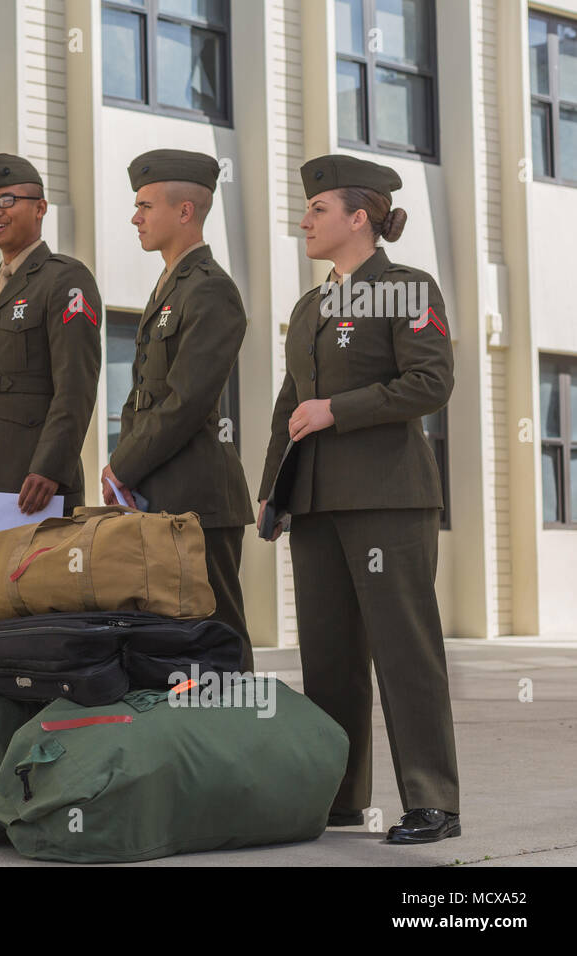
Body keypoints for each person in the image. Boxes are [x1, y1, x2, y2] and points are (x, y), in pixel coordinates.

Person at [258, 153, 460, 843]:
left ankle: (433, 802)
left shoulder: (407, 288)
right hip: (315, 502)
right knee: (329, 658)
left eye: (317, 210)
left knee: (405, 652)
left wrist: (338, 410)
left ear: (358, 216)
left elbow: (430, 383)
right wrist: (271, 491)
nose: (304, 220)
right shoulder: (310, 305)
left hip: (387, 499)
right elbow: (290, 404)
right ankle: (340, 798)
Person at [100, 150, 255, 670]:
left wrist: (123, 464)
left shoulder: (210, 289)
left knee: (216, 638)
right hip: (158, 493)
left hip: (198, 498)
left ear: (185, 211)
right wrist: (124, 470)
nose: (135, 217)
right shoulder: (169, 286)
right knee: (170, 644)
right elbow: (143, 393)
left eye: (145, 205)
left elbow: (186, 401)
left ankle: (241, 747)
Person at [0, 153, 102, 525]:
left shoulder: (65, 280)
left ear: (41, 208)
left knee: (35, 583)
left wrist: (50, 467)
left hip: (36, 484)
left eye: (8, 201)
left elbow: (75, 386)